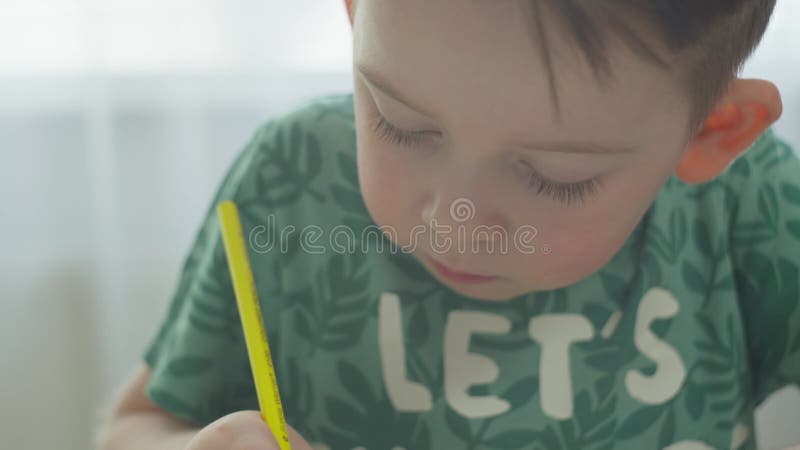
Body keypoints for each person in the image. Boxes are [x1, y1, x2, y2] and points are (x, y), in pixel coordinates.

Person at [97, 1, 800, 449]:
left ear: (711, 131)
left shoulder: (752, 204)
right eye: (401, 126)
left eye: (554, 176)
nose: (453, 225)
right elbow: (133, 425)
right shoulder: (293, 179)